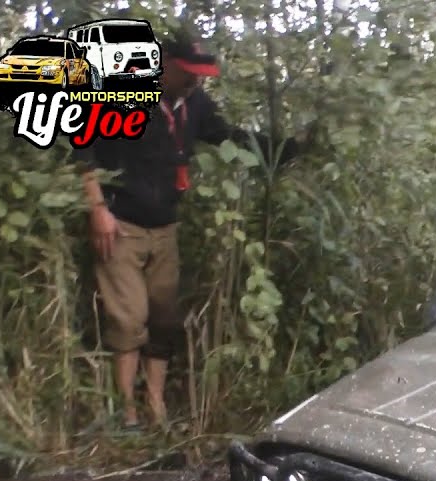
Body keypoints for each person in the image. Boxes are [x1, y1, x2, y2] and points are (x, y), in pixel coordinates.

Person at [77, 25, 308, 431]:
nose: (195, 80)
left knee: (164, 320)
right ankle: (126, 414)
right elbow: (83, 143)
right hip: (122, 224)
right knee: (129, 319)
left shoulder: (194, 103)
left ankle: (156, 406)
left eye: (198, 74)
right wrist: (97, 207)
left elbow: (227, 137)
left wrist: (288, 149)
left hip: (166, 227)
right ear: (164, 66)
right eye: (187, 72)